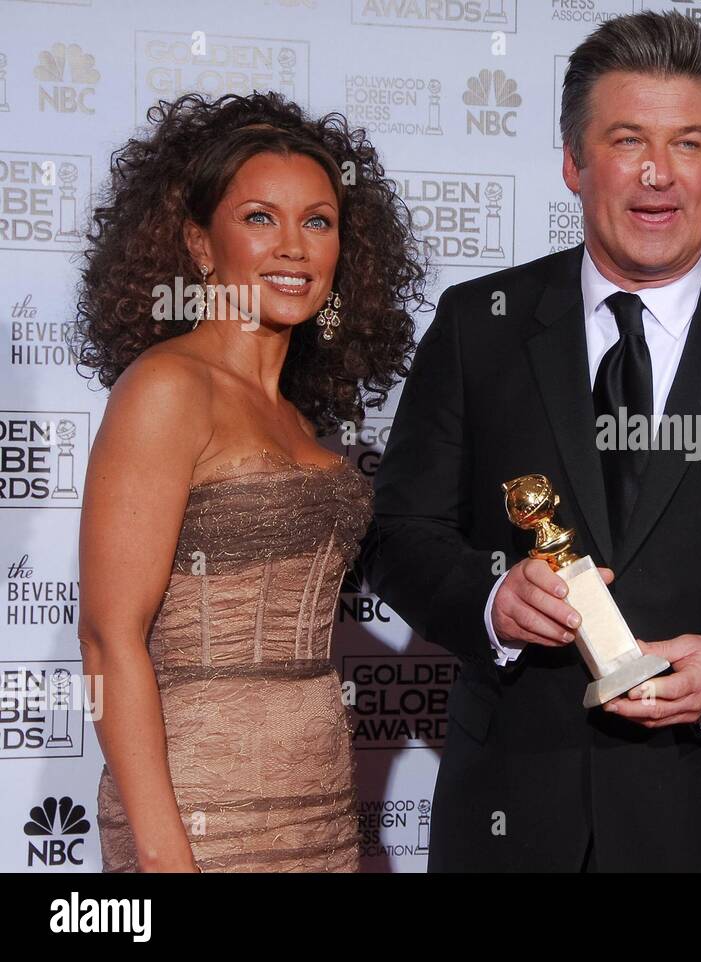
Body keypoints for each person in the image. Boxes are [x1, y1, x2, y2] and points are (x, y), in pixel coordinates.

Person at [362, 11, 701, 872]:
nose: (659, 175)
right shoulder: (481, 327)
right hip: (513, 815)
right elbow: (399, 535)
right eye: (628, 140)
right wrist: (492, 601)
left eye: (689, 144)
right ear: (576, 163)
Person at [74, 91, 422, 872]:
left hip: (320, 814)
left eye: (319, 221)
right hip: (199, 816)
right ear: (200, 243)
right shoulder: (167, 389)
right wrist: (165, 857)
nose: (294, 247)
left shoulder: (300, 422)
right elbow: (107, 639)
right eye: (260, 218)